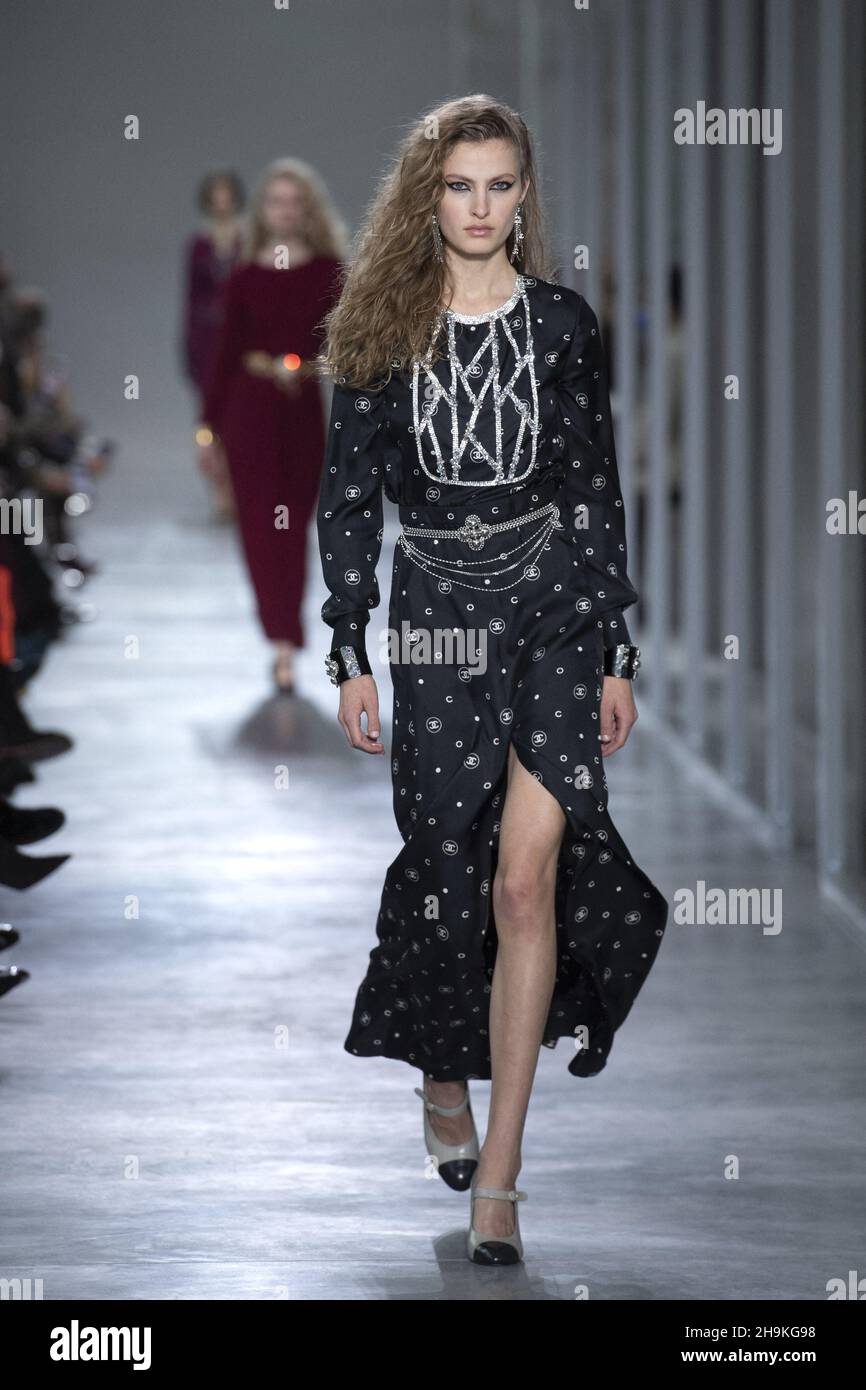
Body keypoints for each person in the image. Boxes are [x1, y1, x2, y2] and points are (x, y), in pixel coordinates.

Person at [316, 95, 669, 1265]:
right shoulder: (380, 331)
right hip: (435, 624)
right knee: (446, 868)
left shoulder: (564, 325)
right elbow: (347, 497)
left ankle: (502, 1180)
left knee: (526, 887)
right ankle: (437, 1071)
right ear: (427, 196)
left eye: (499, 186)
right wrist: (351, 645)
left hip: (555, 610)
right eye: (459, 186)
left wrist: (616, 645)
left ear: (523, 197)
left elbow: (592, 483)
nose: (479, 207)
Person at [199, 159, 348, 692]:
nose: (285, 211)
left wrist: (313, 368)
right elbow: (223, 356)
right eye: (276, 201)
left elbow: (351, 346)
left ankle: (287, 630)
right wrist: (206, 430)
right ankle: (282, 640)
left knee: (294, 526)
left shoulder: (331, 272)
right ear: (263, 210)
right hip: (250, 410)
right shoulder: (244, 276)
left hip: (303, 410)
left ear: (308, 210)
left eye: (295, 201)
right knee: (261, 529)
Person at [181, 169, 245, 522]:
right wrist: (189, 348)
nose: (221, 200)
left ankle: (236, 488)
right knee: (209, 418)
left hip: (239, 341)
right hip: (206, 341)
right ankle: (219, 490)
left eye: (227, 193)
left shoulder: (247, 240)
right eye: (215, 194)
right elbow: (191, 298)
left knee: (238, 415)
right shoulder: (198, 244)